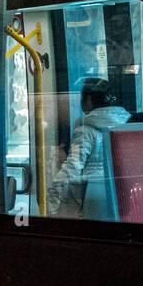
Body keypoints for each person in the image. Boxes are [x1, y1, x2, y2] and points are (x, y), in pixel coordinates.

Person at [47, 77, 131, 216]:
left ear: (88, 101)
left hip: (93, 193)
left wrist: (52, 202)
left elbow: (72, 168)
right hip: (123, 190)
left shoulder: (85, 131)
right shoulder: (127, 123)